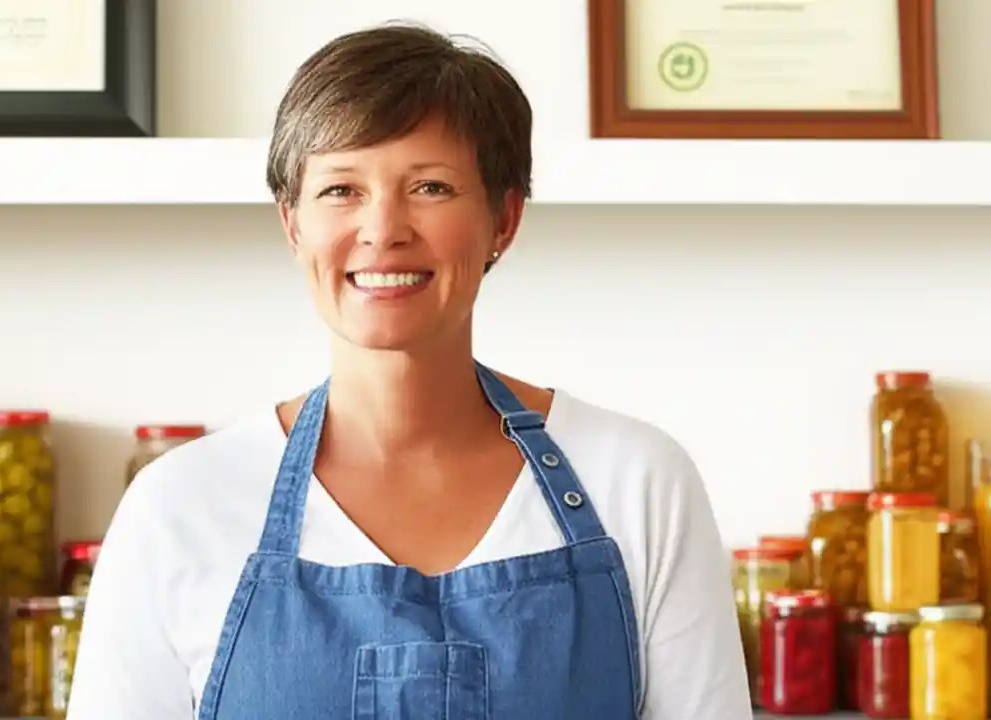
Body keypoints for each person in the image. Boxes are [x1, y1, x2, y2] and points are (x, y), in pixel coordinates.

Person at [68, 22, 751, 719]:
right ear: (292, 224)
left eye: (430, 186)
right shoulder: (180, 508)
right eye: (340, 190)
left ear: (504, 220)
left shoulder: (638, 483)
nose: (383, 228)